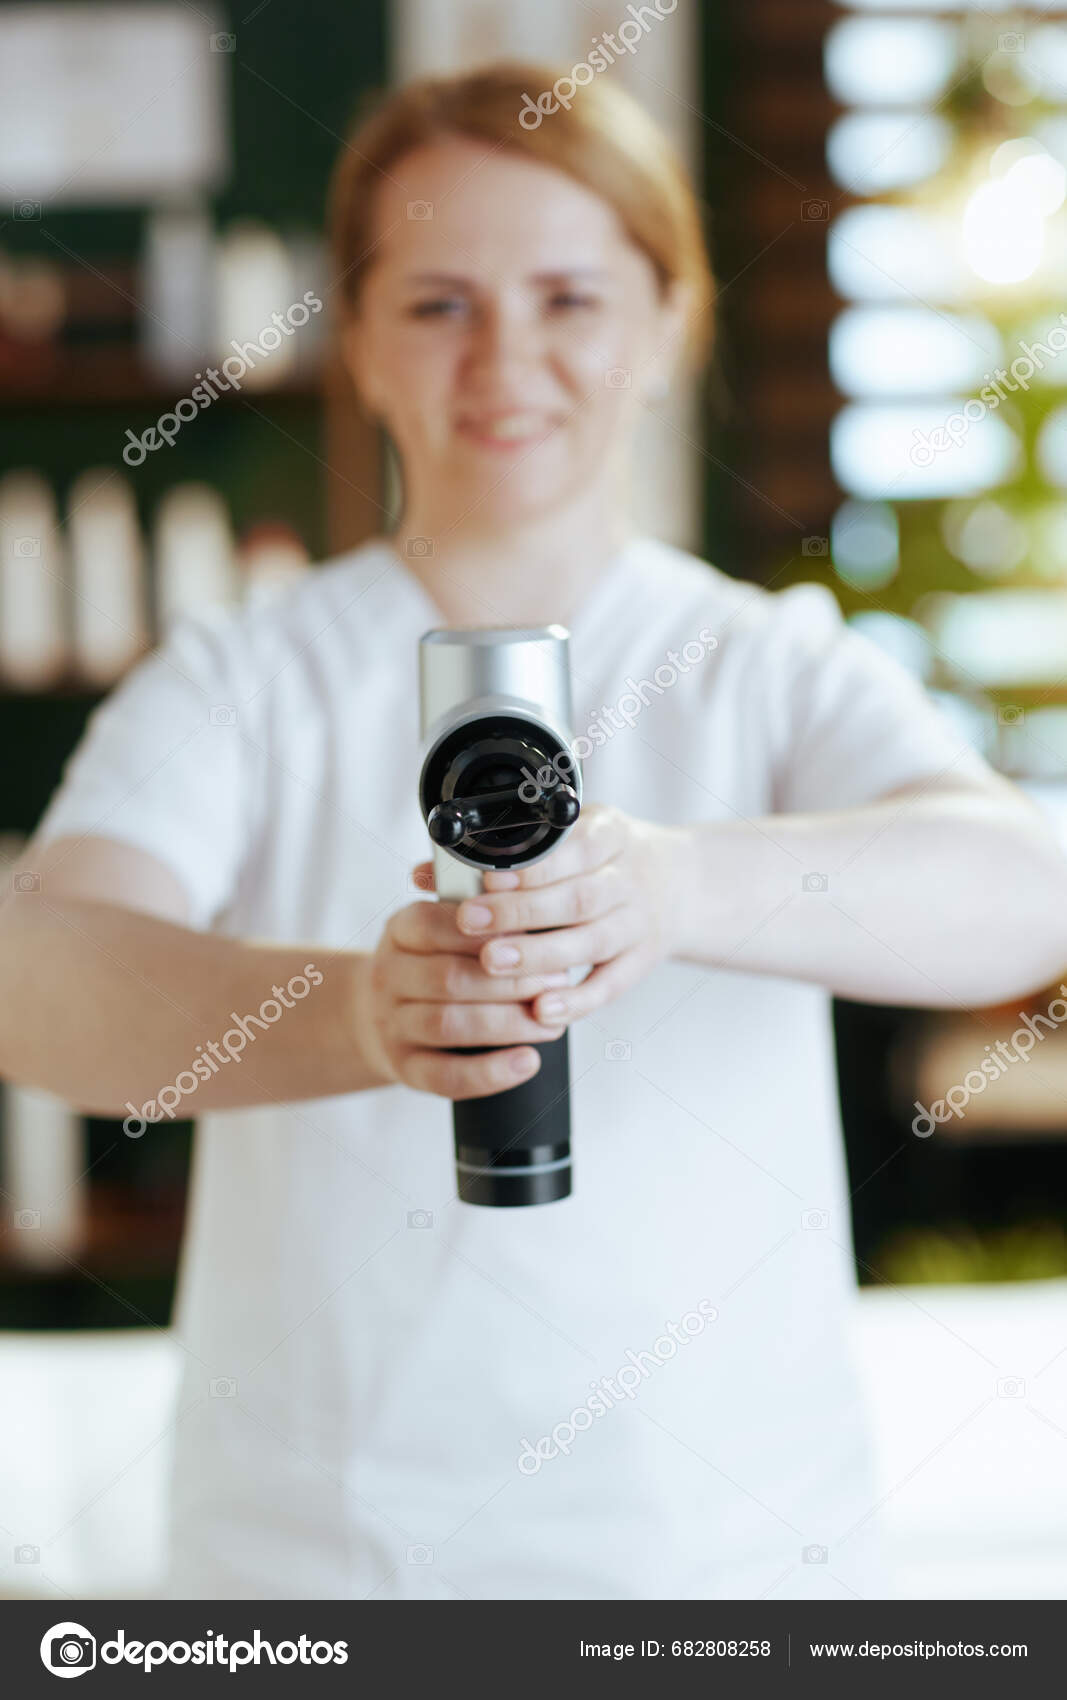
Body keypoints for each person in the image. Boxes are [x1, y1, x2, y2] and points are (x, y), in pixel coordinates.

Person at [2, 61, 1066, 1603]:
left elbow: (1024, 895)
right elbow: (40, 974)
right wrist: (364, 1015)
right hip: (320, 1572)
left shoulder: (765, 662)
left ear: (665, 326)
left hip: (729, 1563)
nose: (505, 355)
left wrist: (680, 886)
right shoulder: (243, 677)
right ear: (357, 339)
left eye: (570, 296)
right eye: (438, 303)